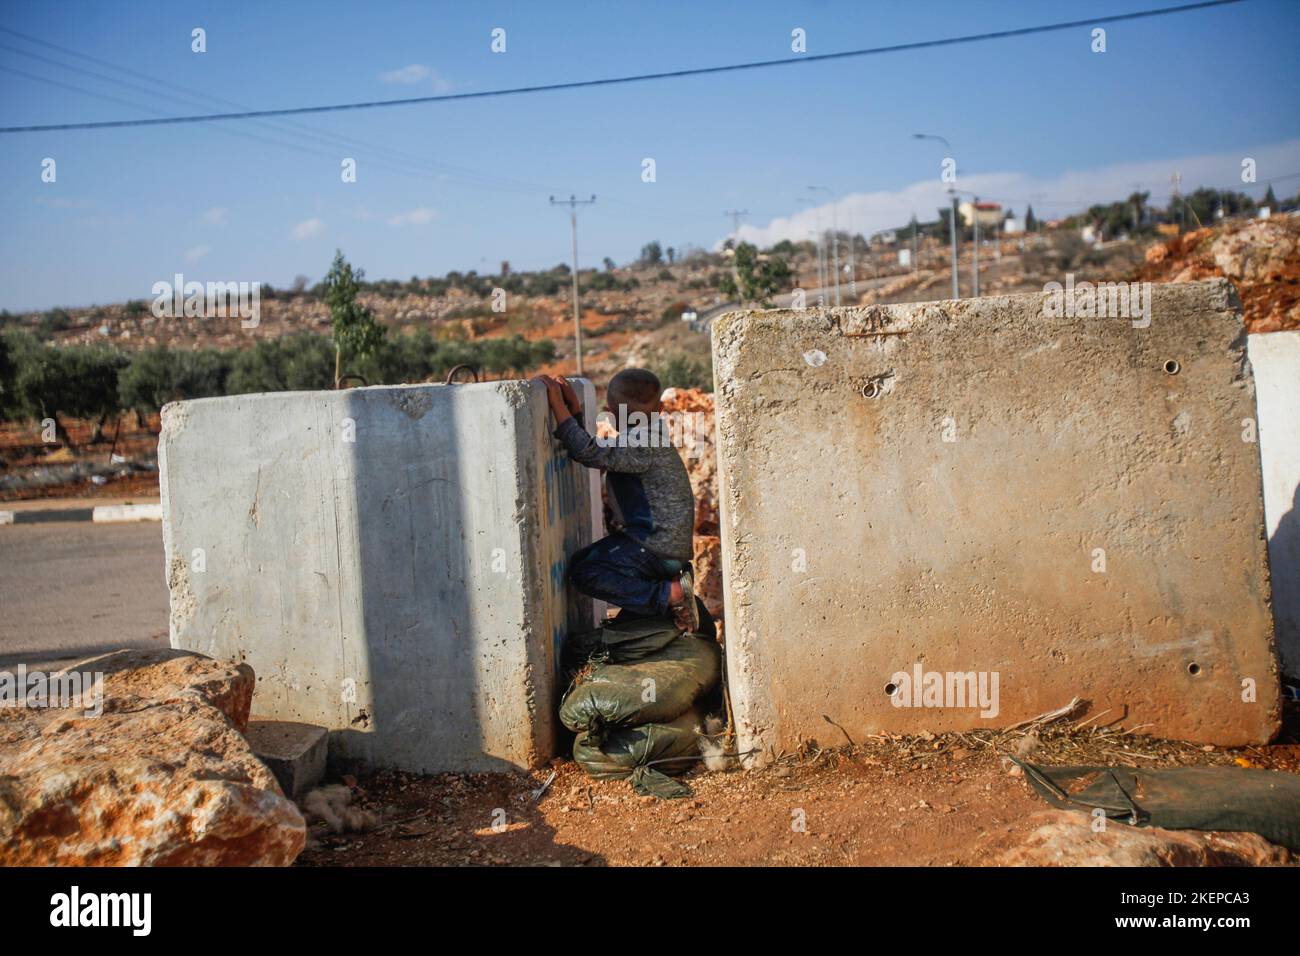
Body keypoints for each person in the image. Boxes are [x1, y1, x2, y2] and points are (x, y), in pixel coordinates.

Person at [535, 369, 699, 632]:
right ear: (660, 408)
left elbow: (589, 453)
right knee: (582, 562)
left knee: (586, 573)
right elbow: (599, 449)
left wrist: (557, 405)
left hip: (656, 546)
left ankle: (671, 595)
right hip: (659, 543)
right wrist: (574, 409)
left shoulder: (641, 444)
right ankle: (664, 600)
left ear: (610, 412)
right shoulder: (645, 438)